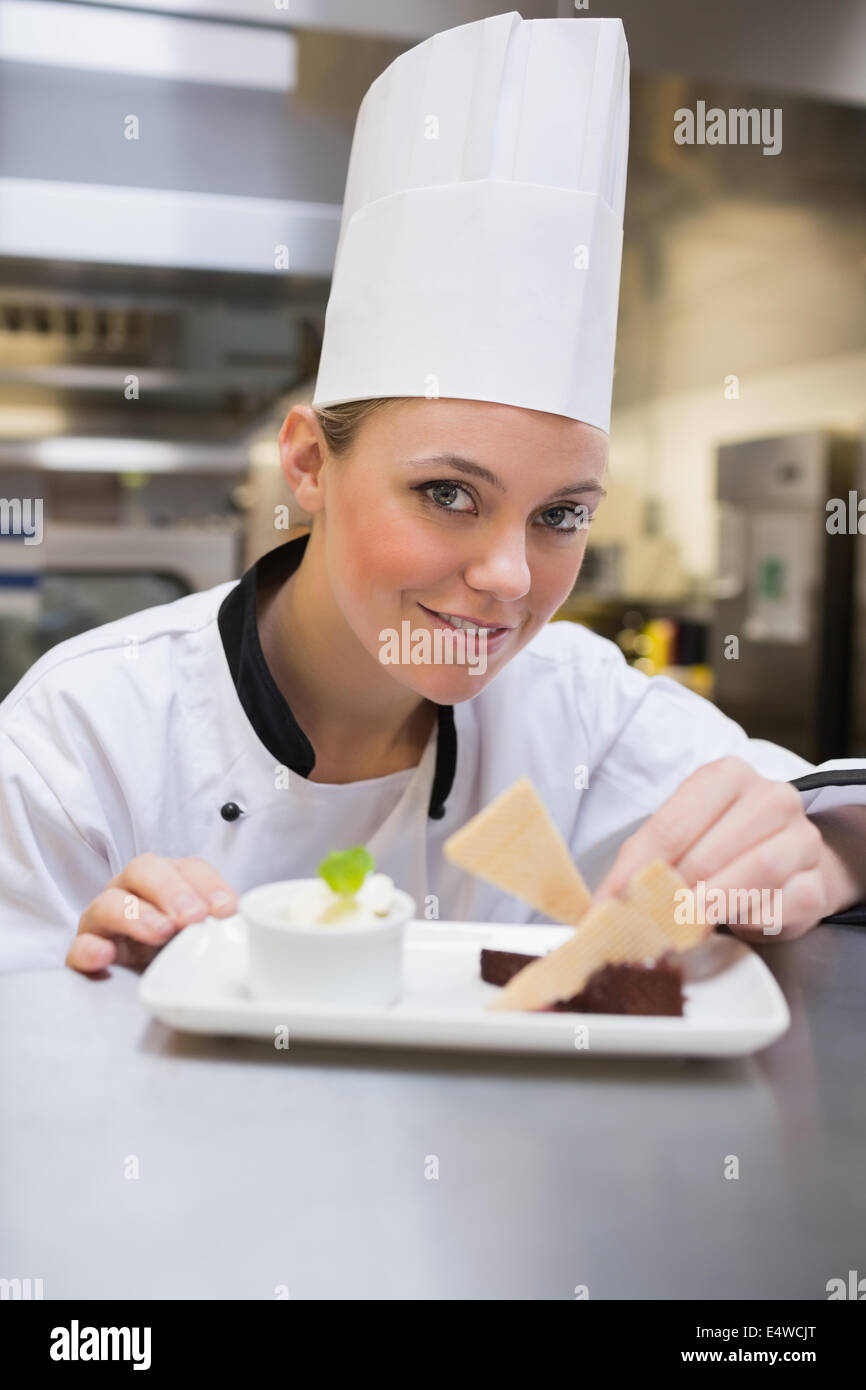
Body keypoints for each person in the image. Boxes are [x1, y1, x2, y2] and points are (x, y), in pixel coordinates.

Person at [2, 12, 865, 976]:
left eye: (561, 514)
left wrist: (830, 856)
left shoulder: (579, 708)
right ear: (309, 465)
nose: (507, 576)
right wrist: (83, 1012)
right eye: (449, 492)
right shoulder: (87, 733)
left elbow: (827, 814)